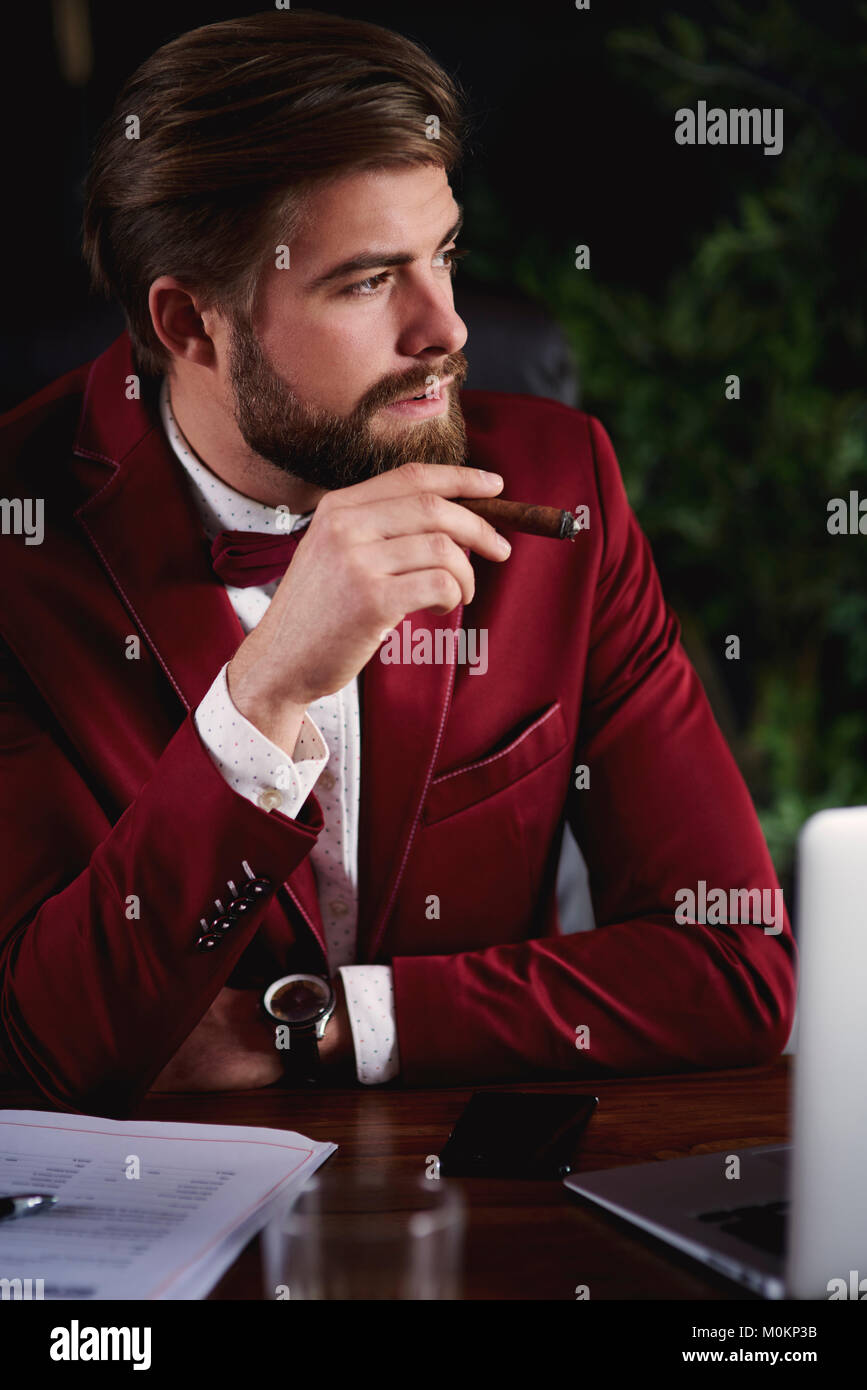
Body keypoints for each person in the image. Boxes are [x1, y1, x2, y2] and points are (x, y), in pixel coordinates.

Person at [0, 11, 795, 1116]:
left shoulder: (562, 489)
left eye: (445, 255)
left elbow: (734, 970)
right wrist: (265, 688)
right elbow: (41, 1048)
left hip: (482, 1221)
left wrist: (330, 1025)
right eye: (370, 280)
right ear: (189, 325)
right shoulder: (17, 547)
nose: (449, 327)